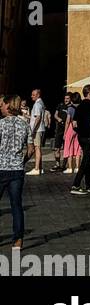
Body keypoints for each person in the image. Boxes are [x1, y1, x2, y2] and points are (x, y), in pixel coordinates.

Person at [0, 94, 29, 248]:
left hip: (1, 168)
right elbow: (30, 149)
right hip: (17, 169)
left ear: (8, 106)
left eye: (2, 105)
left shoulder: (1, 124)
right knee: (16, 205)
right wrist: (22, 161)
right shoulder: (24, 124)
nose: (1, 108)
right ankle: (18, 240)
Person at [26, 88, 46, 176]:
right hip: (40, 128)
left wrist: (33, 129)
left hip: (37, 129)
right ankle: (40, 168)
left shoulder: (37, 104)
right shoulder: (40, 103)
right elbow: (35, 117)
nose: (31, 96)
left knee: (37, 148)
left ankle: (37, 168)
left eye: (33, 95)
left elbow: (38, 118)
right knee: (38, 148)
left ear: (38, 95)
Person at [61, 92, 80, 175]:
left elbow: (68, 121)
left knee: (68, 147)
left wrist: (65, 133)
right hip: (79, 129)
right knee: (78, 147)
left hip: (71, 128)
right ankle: (77, 167)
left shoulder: (70, 108)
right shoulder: (81, 107)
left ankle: (70, 167)